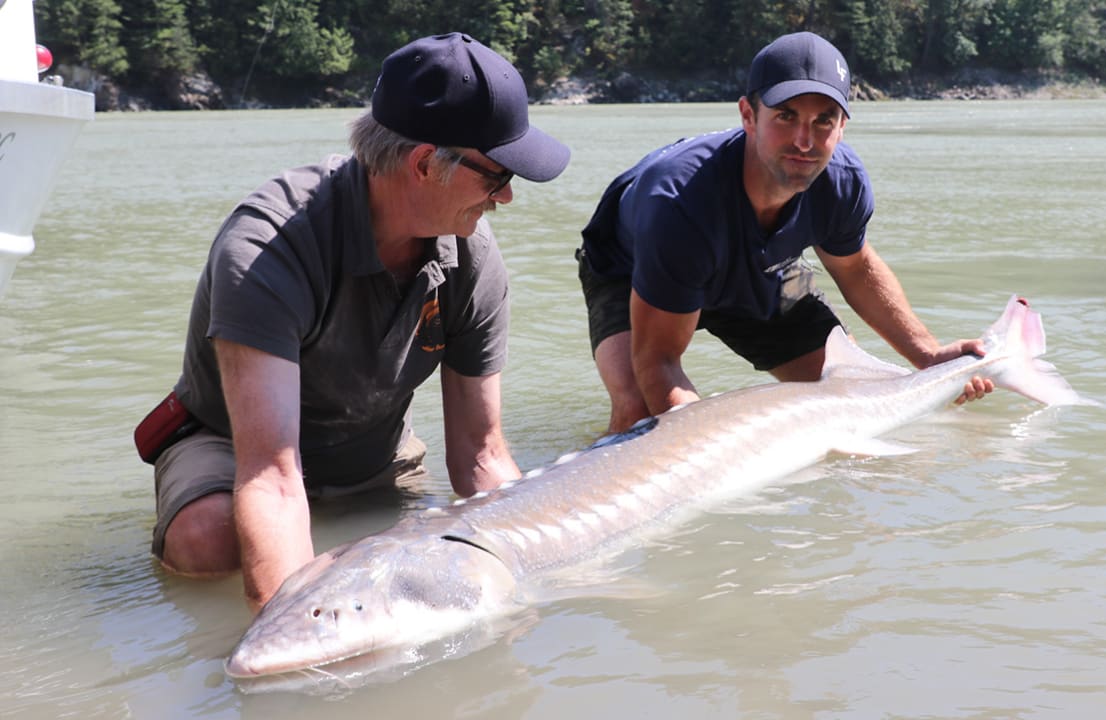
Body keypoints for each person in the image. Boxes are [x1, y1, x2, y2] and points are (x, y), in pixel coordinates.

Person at [134, 32, 570, 612]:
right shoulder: (267, 246)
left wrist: (535, 586)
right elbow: (272, 478)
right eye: (496, 177)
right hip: (237, 447)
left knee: (430, 559)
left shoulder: (472, 255)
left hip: (373, 458)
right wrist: (292, 646)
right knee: (207, 539)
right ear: (423, 164)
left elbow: (480, 455)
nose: (507, 197)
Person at [576, 31, 993, 434]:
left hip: (763, 267)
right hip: (629, 269)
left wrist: (929, 355)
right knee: (639, 414)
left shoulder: (842, 182)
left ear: (843, 126)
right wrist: (712, 450)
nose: (804, 141)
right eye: (786, 116)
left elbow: (856, 269)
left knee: (846, 397)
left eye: (823, 121)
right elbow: (658, 361)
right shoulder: (678, 201)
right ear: (747, 115)